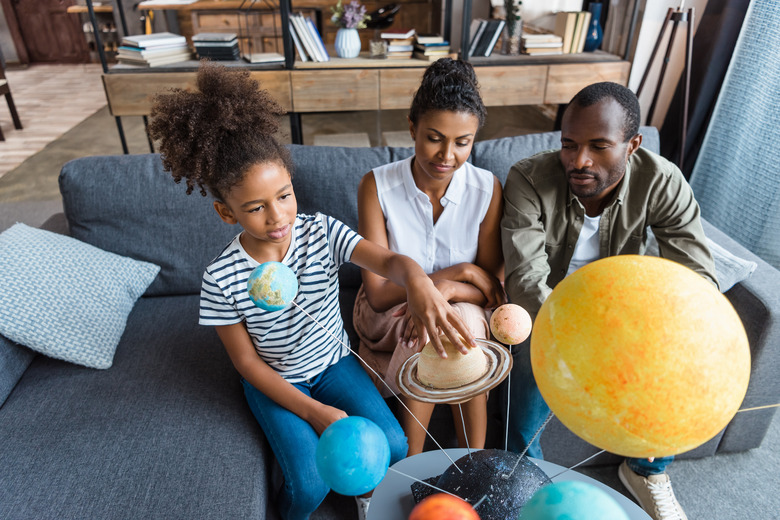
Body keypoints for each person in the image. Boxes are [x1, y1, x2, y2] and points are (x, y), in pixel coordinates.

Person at [148, 63, 477, 520]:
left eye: (284, 195)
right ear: (227, 213)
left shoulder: (320, 232)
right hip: (278, 380)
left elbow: (388, 262)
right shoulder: (221, 278)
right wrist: (313, 412)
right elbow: (246, 363)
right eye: (255, 208)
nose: (277, 217)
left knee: (394, 444)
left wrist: (418, 281)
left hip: (334, 365)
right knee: (308, 484)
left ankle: (364, 494)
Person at [501, 81, 717, 520]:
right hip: (552, 312)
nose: (579, 161)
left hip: (622, 312)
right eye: (569, 144)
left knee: (675, 350)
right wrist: (587, 343)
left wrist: (658, 338)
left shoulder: (662, 181)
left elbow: (698, 280)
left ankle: (647, 470)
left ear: (632, 145)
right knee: (528, 347)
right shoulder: (529, 178)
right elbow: (525, 280)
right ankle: (523, 475)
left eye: (599, 147)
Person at [353, 58, 505, 456]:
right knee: (438, 325)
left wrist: (444, 290)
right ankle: (412, 465)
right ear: (412, 128)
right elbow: (379, 294)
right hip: (389, 313)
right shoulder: (376, 186)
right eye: (434, 138)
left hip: (462, 308)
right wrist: (461, 273)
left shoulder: (487, 189)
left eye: (462, 142)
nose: (447, 155)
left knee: (459, 323)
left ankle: (472, 464)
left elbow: (494, 290)